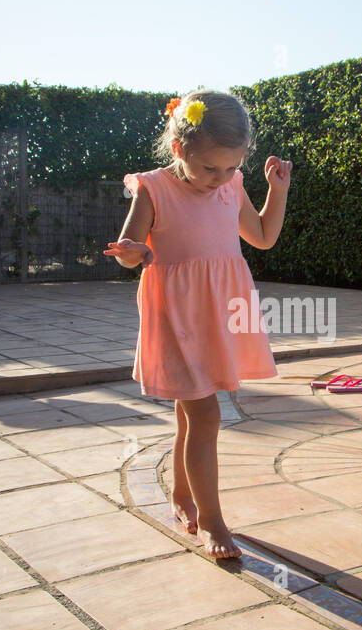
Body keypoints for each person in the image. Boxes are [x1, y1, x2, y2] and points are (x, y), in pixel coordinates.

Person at [104, 89, 292, 560]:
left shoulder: (231, 186)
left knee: (192, 410)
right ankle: (212, 521)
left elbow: (264, 237)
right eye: (210, 168)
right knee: (206, 412)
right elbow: (131, 246)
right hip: (177, 316)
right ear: (179, 149)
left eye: (231, 167)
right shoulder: (153, 188)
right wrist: (134, 253)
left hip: (219, 313)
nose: (221, 178)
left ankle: (183, 496)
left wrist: (278, 189)